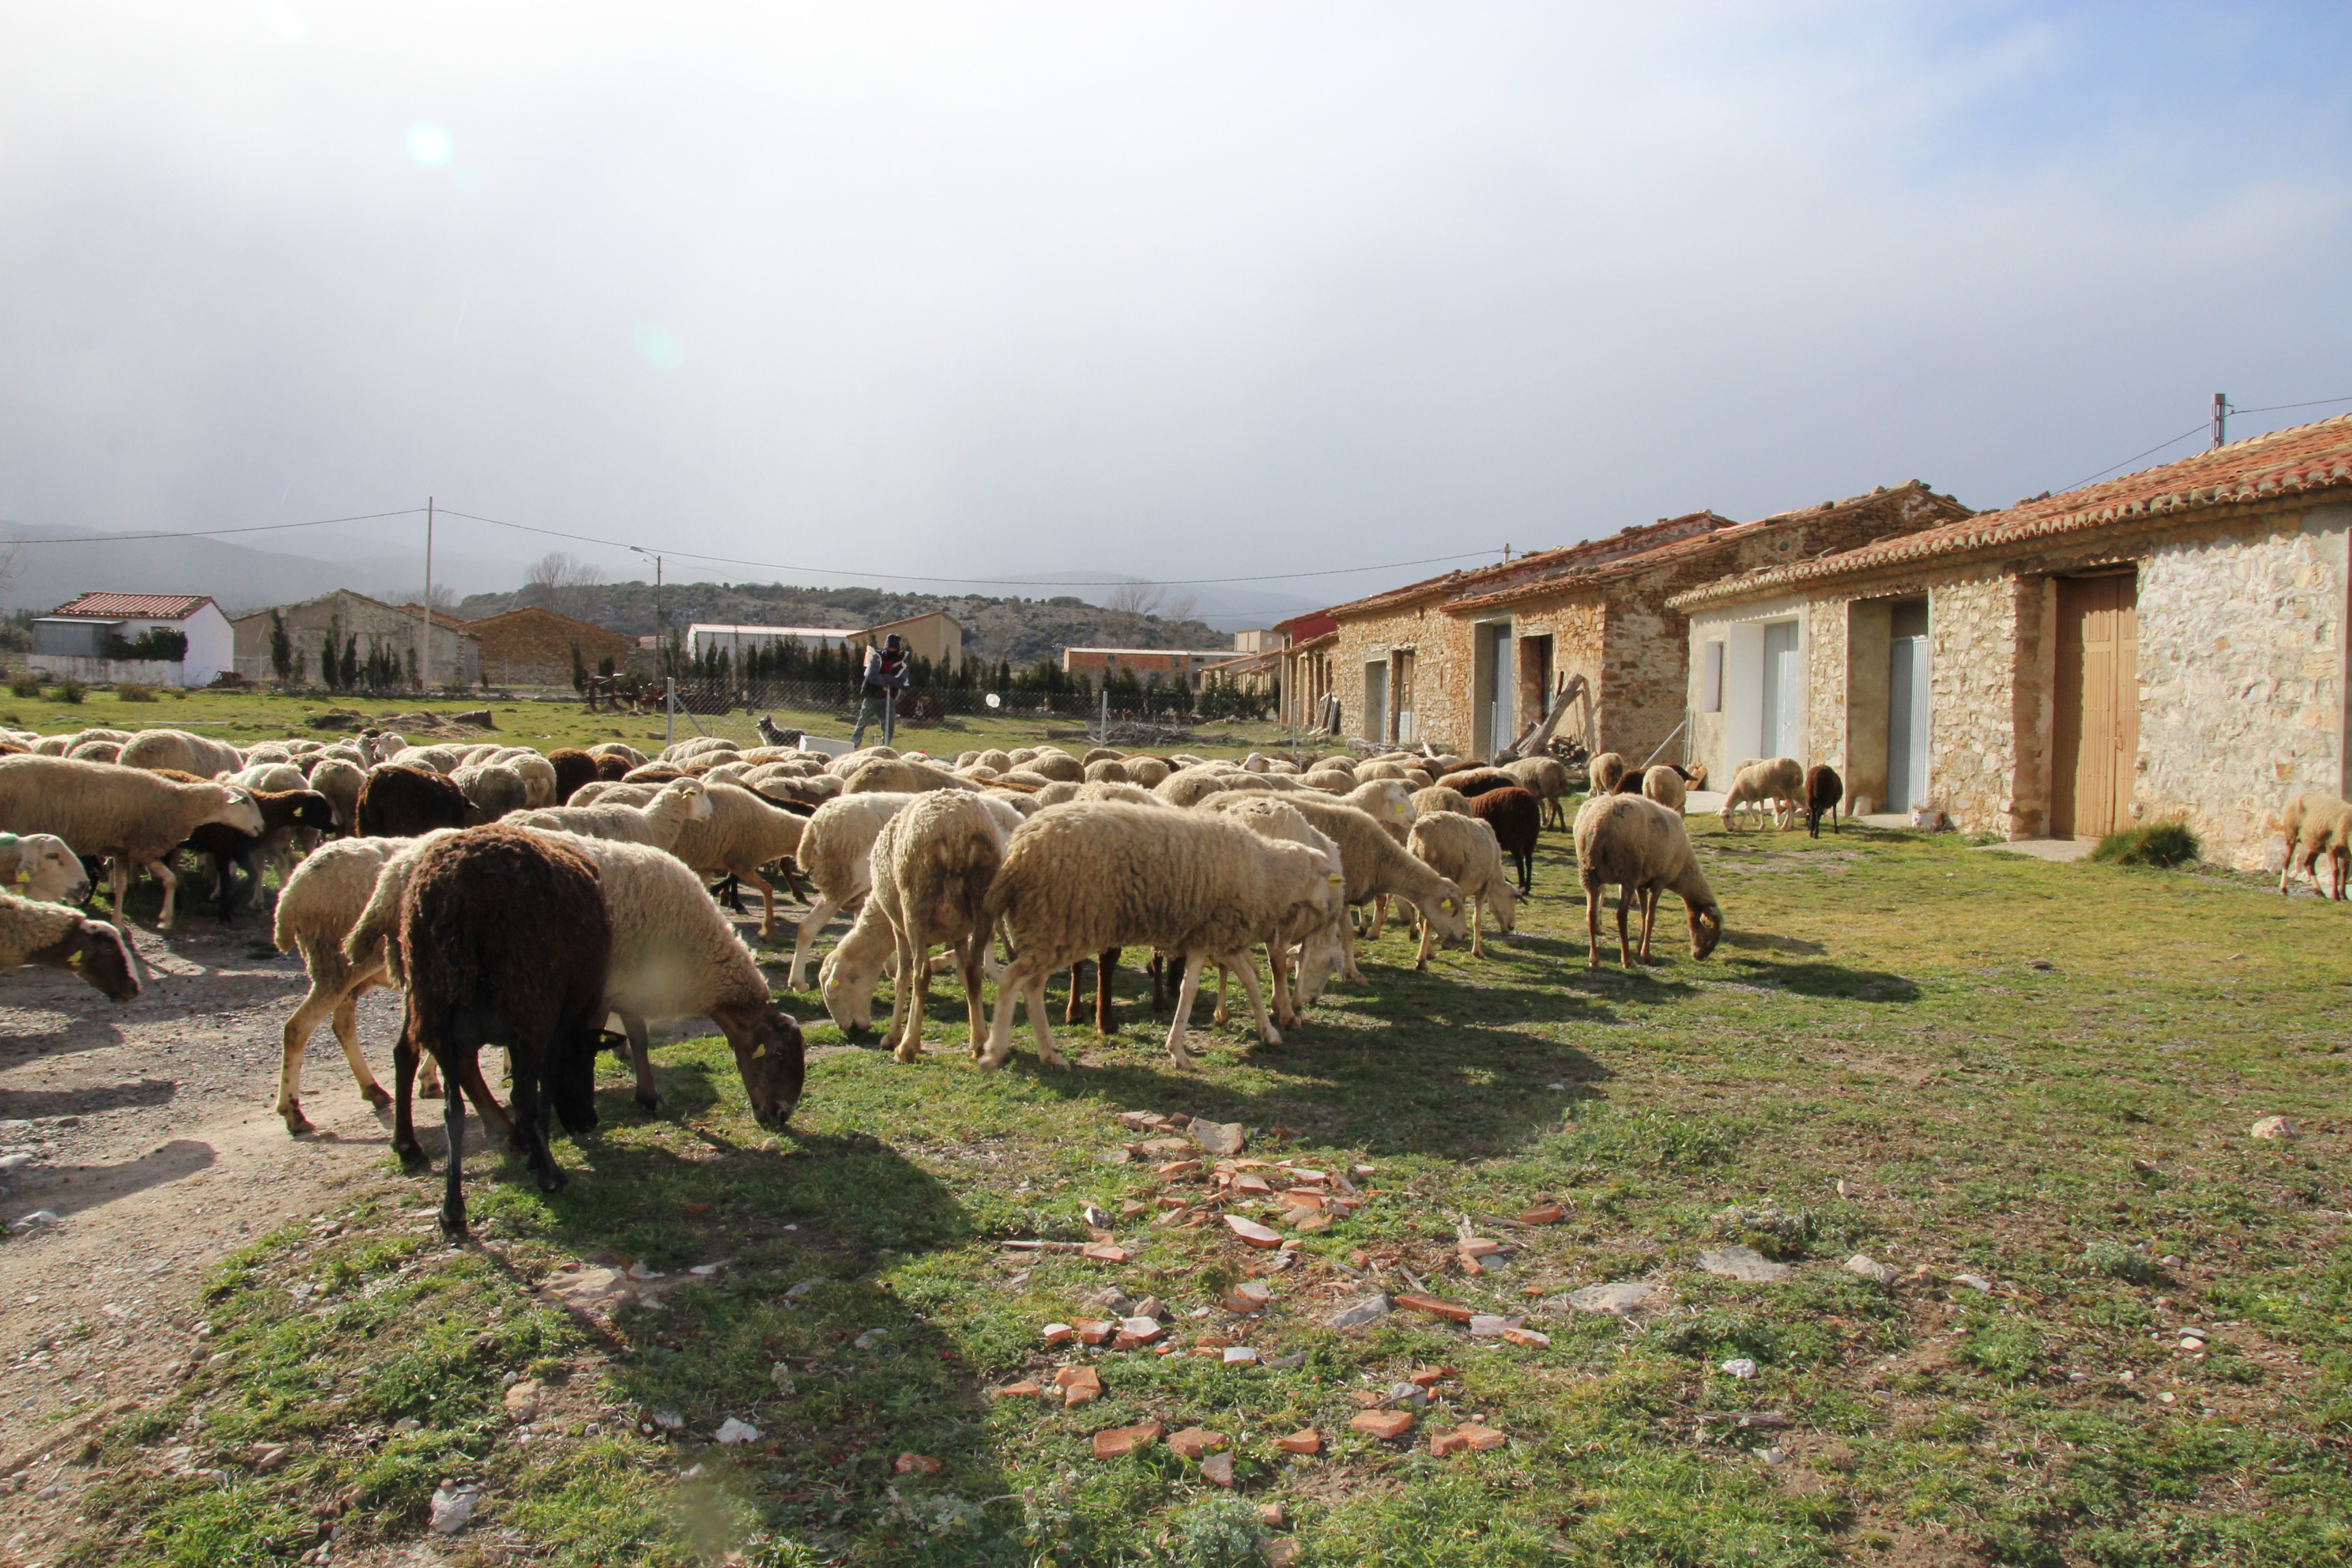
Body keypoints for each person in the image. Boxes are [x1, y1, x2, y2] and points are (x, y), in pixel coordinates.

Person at [851, 634, 911, 748]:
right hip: (872, 697)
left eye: (894, 648)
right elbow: (872, 676)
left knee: (889, 727)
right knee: (862, 723)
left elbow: (902, 682)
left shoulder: (902, 662)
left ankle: (883, 748)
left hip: (889, 699)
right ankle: (854, 745)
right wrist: (888, 680)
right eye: (889, 648)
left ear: (898, 649)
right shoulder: (876, 657)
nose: (891, 650)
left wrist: (886, 677)